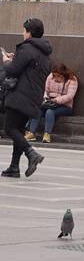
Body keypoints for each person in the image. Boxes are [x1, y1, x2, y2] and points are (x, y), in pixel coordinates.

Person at [1, 19, 52, 178]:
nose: (23, 34)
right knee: (19, 129)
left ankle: (31, 154)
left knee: (10, 128)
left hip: (20, 96)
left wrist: (7, 61)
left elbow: (13, 70)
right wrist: (16, 58)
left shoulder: (27, 48)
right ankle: (14, 167)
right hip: (33, 97)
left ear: (29, 32)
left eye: (24, 31)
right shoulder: (44, 52)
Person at [26, 62, 78, 143]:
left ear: (63, 74)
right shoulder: (50, 77)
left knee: (50, 112)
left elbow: (70, 96)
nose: (56, 78)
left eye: (58, 76)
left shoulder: (72, 79)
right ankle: (31, 133)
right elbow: (46, 90)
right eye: (54, 76)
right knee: (37, 110)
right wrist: (46, 98)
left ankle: (47, 135)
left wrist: (57, 100)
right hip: (50, 103)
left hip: (65, 106)